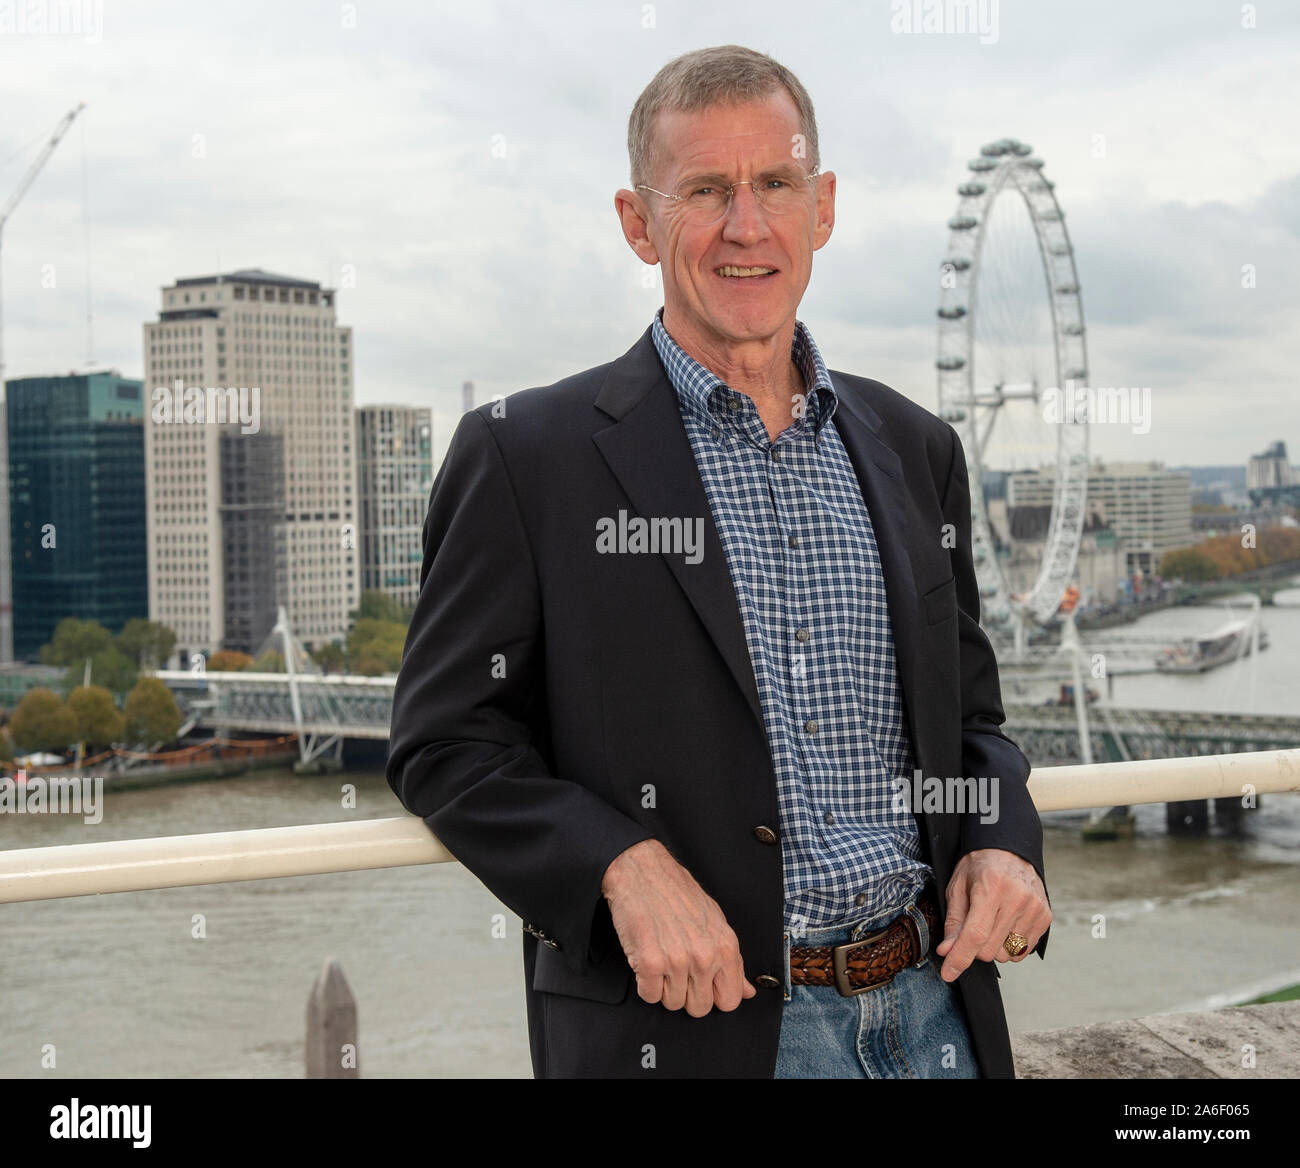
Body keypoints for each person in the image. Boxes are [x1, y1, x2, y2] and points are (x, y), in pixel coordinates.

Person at [386, 43, 1051, 1079]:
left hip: (936, 1018)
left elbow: (970, 723)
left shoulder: (918, 448)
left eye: (775, 183)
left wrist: (1004, 837)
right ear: (637, 222)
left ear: (822, 207)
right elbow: (445, 743)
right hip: (698, 1032)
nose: (747, 225)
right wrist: (615, 860)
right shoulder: (526, 458)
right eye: (704, 190)